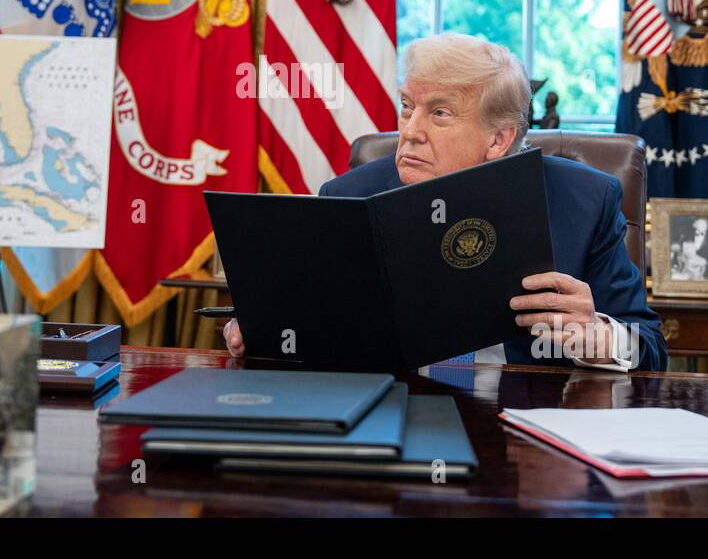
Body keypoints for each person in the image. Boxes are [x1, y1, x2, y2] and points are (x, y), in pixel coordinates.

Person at [223, 33, 667, 371]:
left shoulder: (585, 201)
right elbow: (302, 329)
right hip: (385, 414)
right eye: (406, 106)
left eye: (439, 113)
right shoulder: (348, 196)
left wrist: (600, 337)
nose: (410, 130)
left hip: (520, 428)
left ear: (498, 138)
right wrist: (264, 328)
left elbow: (649, 346)